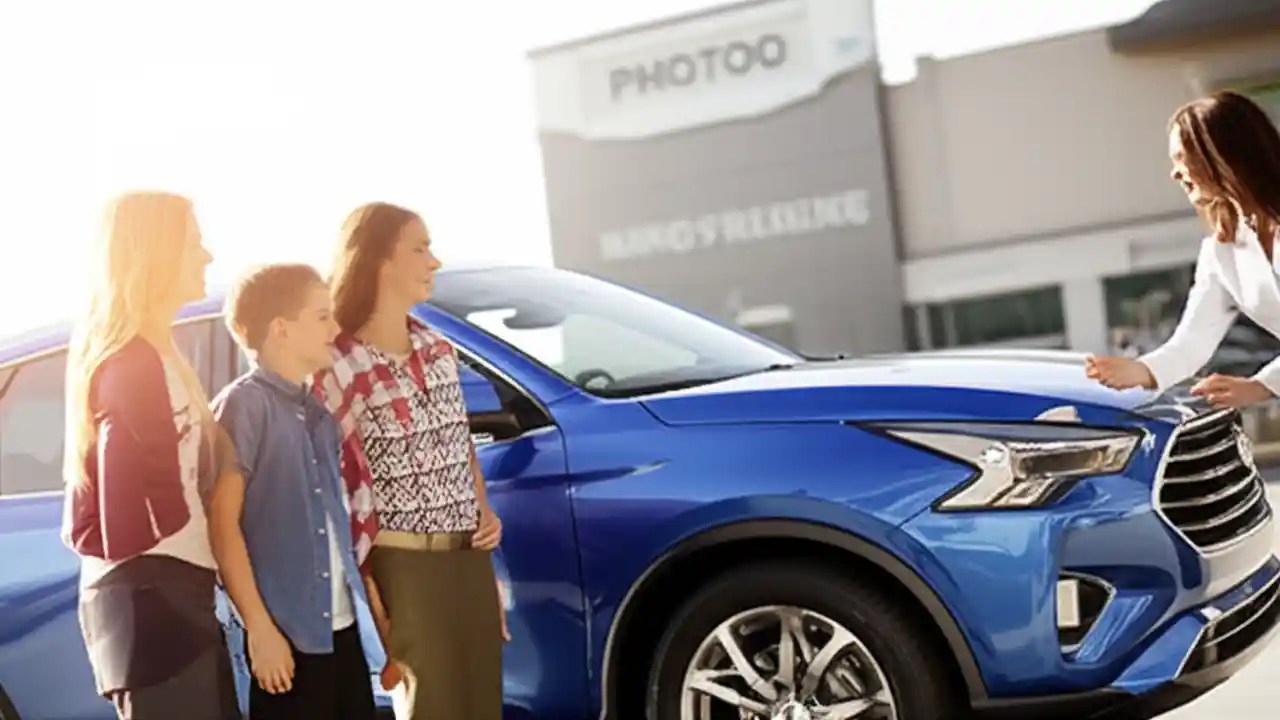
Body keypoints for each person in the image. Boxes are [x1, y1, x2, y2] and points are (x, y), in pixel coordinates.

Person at [313, 201, 507, 720]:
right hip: (403, 567)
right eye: (419, 248)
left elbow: (458, 442)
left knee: (485, 708)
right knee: (431, 710)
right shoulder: (336, 363)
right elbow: (327, 476)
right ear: (379, 261)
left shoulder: (440, 351)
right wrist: (371, 588)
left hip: (469, 556)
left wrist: (484, 513)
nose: (434, 261)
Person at [61, 191, 239, 720]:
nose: (207, 256)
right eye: (194, 243)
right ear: (155, 253)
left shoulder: (156, 351)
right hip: (155, 602)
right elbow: (125, 526)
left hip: (167, 597)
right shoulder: (134, 362)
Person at [209, 264, 378, 720]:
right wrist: (260, 631)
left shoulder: (319, 415)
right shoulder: (245, 407)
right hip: (287, 644)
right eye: (322, 317)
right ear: (281, 330)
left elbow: (333, 529)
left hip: (341, 637)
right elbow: (222, 528)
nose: (336, 329)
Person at [1086, 91, 1280, 408]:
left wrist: (1262, 385)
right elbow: (1191, 344)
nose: (1174, 173)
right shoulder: (1222, 253)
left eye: (1181, 158)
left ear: (1221, 153)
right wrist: (1141, 370)